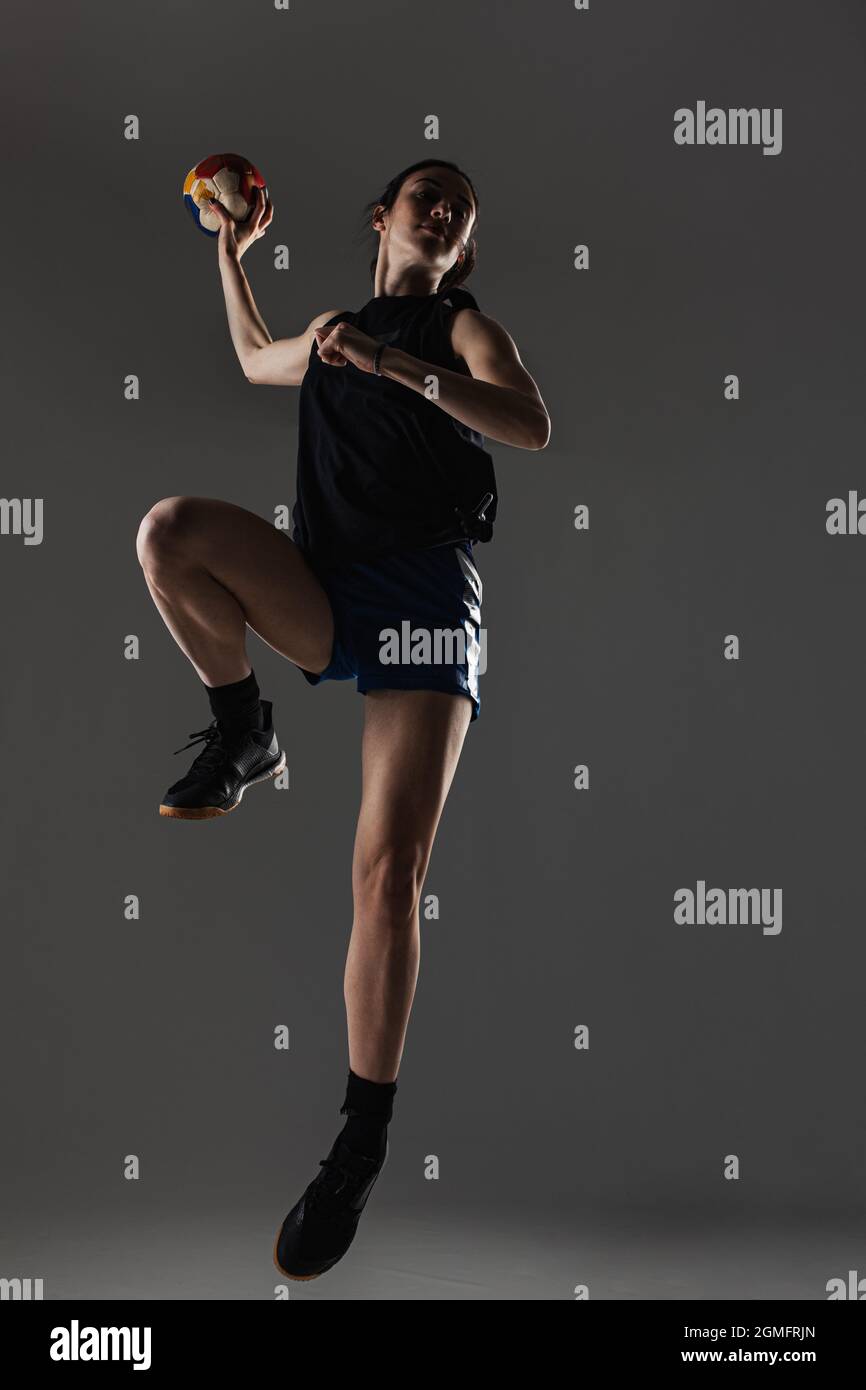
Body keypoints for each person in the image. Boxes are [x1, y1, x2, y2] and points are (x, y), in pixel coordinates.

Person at [135, 158, 550, 1281]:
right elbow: (252, 355)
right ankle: (244, 730)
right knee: (171, 532)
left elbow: (527, 424)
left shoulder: (462, 327)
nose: (449, 203)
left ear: (458, 250)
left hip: (421, 601)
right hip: (328, 586)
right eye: (429, 189)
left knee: (384, 872)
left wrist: (395, 365)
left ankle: (358, 1142)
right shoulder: (329, 331)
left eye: (464, 203)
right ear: (384, 217)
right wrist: (231, 254)